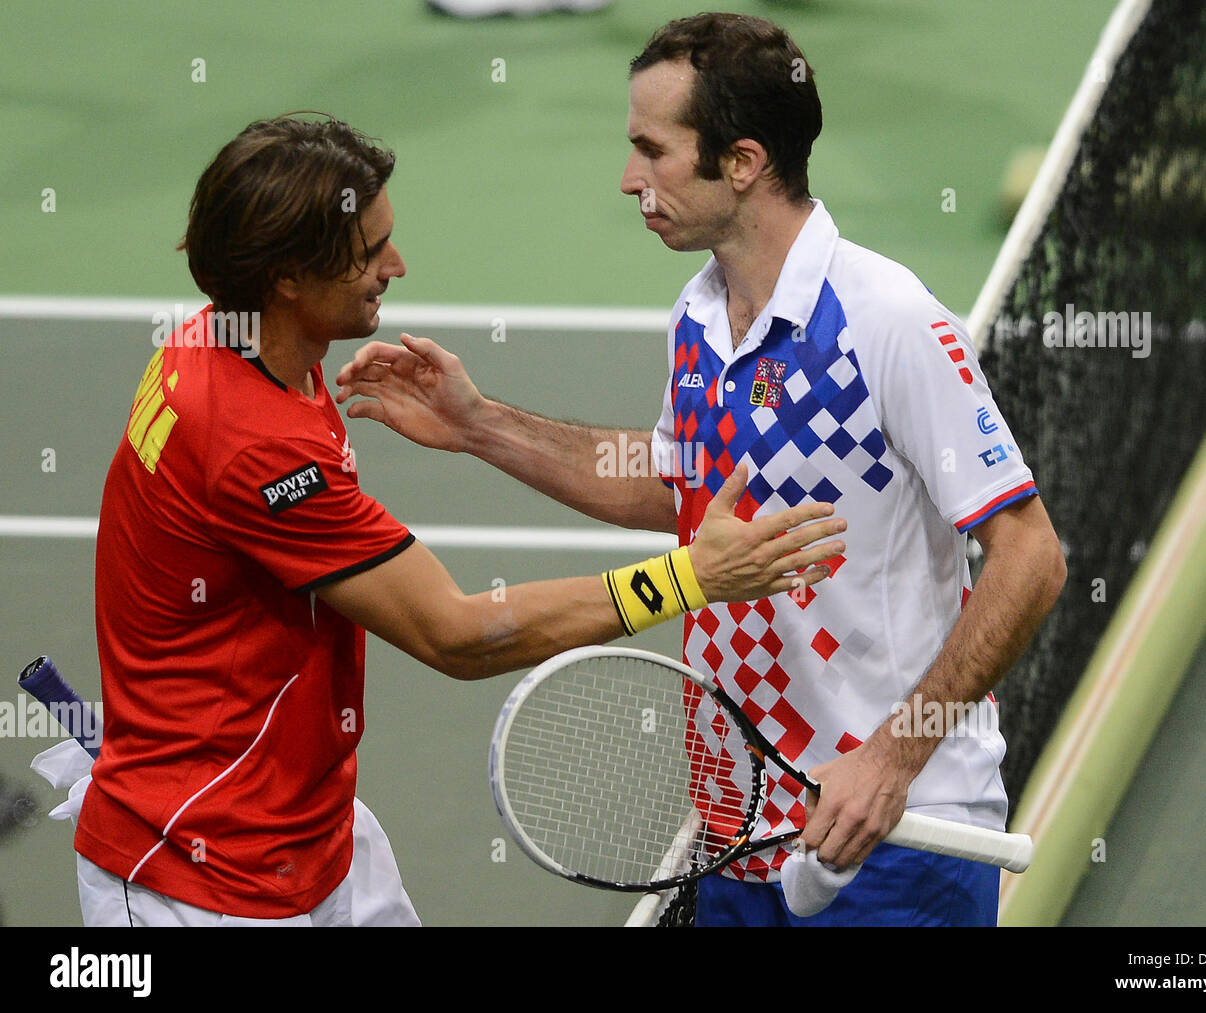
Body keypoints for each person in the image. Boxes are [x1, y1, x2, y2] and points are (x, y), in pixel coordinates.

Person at [336, 13, 1066, 927]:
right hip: (740, 832)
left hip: (891, 838)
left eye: (653, 150)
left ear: (744, 161)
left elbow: (1031, 556)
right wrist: (483, 426)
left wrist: (892, 757)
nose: (629, 180)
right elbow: (673, 483)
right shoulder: (700, 315)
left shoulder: (886, 321)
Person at [74, 112, 844, 927]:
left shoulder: (226, 344)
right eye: (370, 253)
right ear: (288, 279)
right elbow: (459, 634)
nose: (396, 267)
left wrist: (478, 425)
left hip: (308, 833)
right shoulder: (254, 444)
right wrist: (691, 576)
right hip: (202, 876)